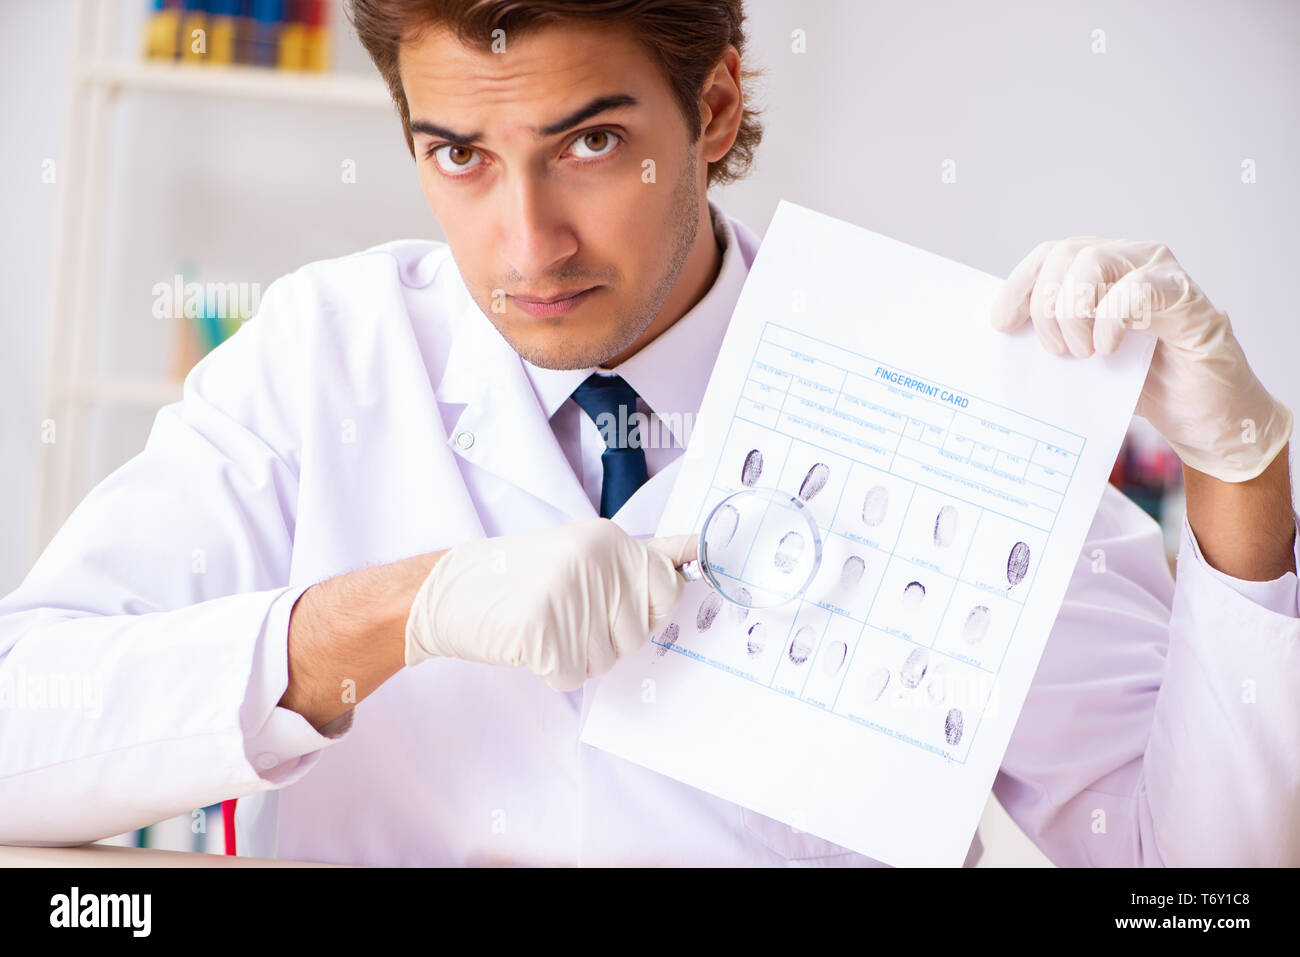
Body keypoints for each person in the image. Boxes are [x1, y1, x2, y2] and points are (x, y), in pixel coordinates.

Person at [2, 0, 1297, 867]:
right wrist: (400, 613)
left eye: (592, 142)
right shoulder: (326, 354)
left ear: (717, 109)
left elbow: (1199, 877)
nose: (527, 243)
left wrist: (1244, 484)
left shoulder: (944, 386)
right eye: (457, 154)